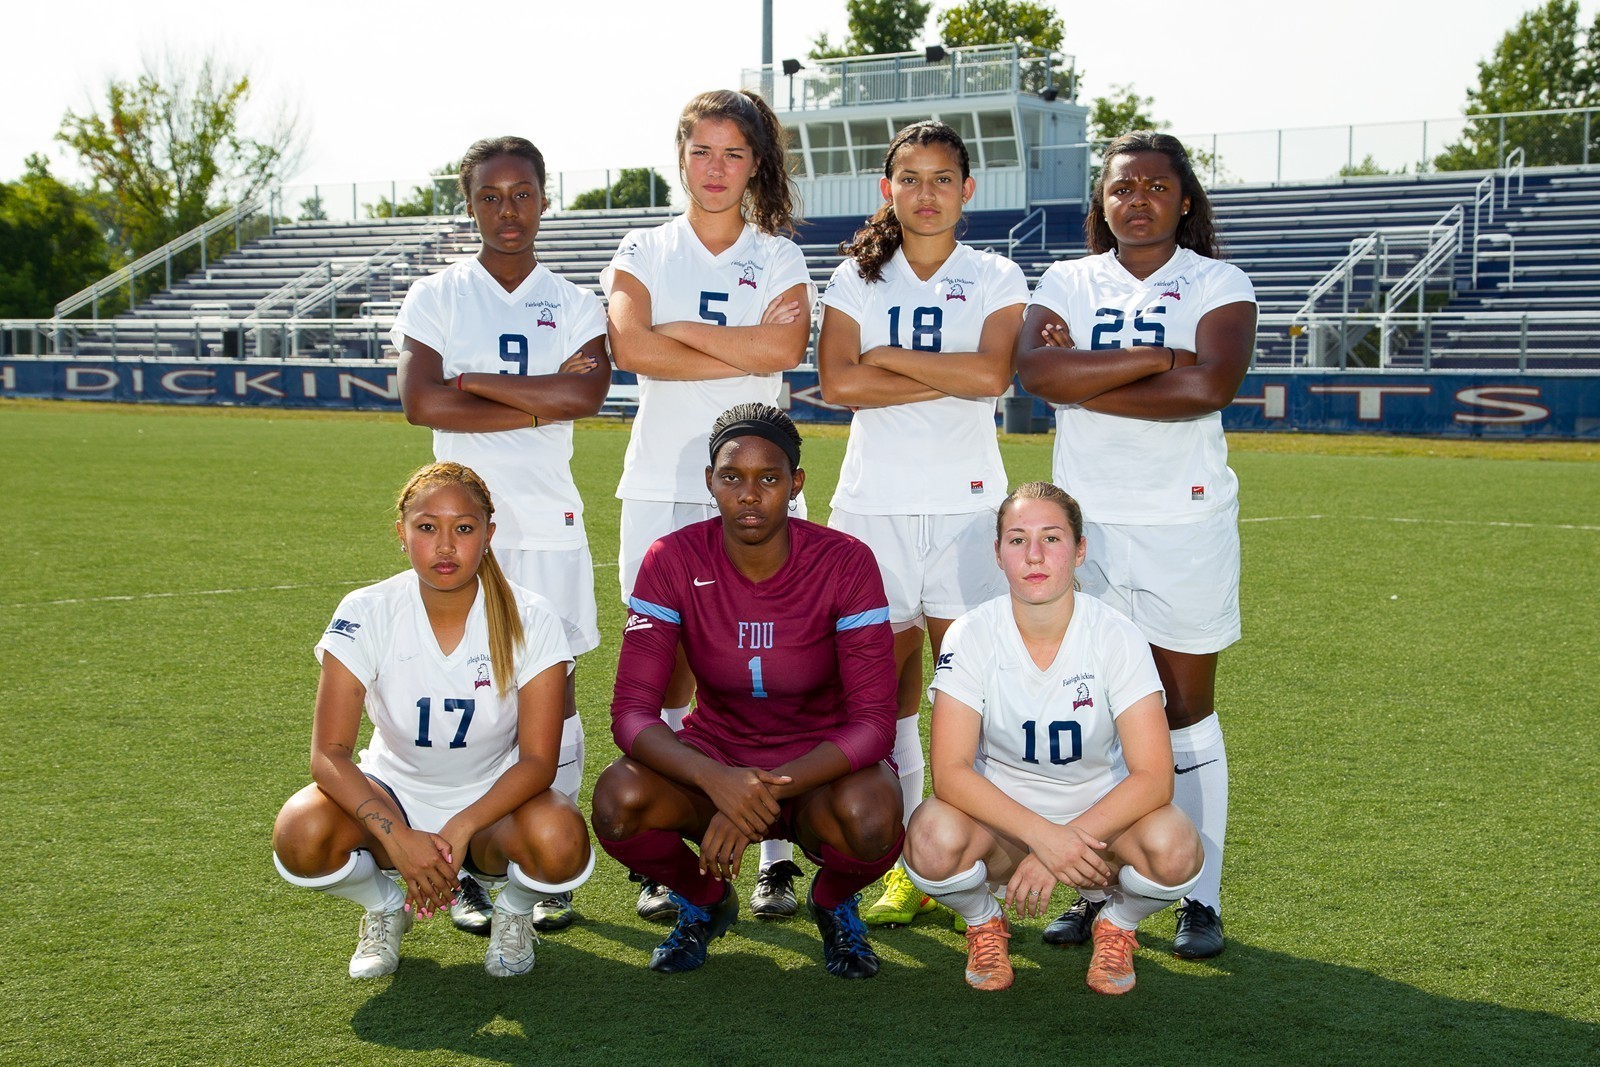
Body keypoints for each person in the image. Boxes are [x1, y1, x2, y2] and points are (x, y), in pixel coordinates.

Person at [1014, 131, 1257, 959]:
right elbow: (1041, 379)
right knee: (1091, 712)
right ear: (1102, 201)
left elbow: (1209, 387)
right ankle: (1094, 885)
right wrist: (1158, 354)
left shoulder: (1218, 280)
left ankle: (1199, 895)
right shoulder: (1067, 279)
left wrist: (1093, 371)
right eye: (1122, 187)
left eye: (1156, 185)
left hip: (1184, 525)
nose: (1138, 198)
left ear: (1185, 199)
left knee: (1184, 714)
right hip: (1087, 529)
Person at [590, 404, 902, 979]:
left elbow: (874, 725)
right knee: (617, 802)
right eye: (732, 477)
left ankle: (833, 903)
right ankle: (705, 903)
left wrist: (759, 792)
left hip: (819, 770)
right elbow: (631, 715)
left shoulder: (846, 561)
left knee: (872, 817)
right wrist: (717, 781)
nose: (750, 495)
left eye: (769, 478)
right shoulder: (672, 558)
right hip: (718, 759)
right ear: (710, 482)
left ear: (796, 483)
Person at [602, 90, 814, 921]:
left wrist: (678, 330)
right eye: (702, 151)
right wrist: (726, 342)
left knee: (771, 668)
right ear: (680, 157)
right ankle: (675, 853)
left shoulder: (781, 257)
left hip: (759, 481)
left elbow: (782, 347)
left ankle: (774, 855)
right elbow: (630, 346)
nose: (716, 168)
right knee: (668, 674)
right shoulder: (641, 244)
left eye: (733, 153)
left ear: (754, 163)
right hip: (659, 481)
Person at [394, 135, 610, 934]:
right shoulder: (438, 295)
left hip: (549, 521)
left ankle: (551, 869)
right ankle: (472, 865)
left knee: (558, 684)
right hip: (462, 525)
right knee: (466, 682)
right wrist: (536, 399)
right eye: (491, 196)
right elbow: (422, 402)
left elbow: (586, 394)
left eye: (521, 193)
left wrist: (479, 382)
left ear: (545, 199)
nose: (507, 210)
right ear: (470, 203)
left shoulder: (575, 299)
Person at [816, 119, 1026, 927]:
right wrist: (944, 375)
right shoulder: (855, 277)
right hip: (872, 508)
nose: (927, 194)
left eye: (943, 179)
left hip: (972, 508)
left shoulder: (997, 273)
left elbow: (993, 373)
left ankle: (980, 857)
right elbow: (837, 384)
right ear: (887, 189)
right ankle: (908, 862)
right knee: (888, 698)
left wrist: (890, 358)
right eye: (911, 178)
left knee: (968, 692)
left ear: (968, 190)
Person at [271, 462, 593, 979]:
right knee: (300, 832)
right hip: (392, 790)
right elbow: (327, 755)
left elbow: (537, 761)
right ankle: (384, 905)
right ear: (401, 533)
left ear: (489, 534)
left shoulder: (531, 616)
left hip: (492, 801)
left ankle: (512, 911)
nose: (445, 546)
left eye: (464, 529)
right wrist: (397, 835)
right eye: (427, 527)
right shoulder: (366, 609)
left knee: (562, 842)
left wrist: (461, 827)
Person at [903, 482, 1204, 994]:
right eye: (1017, 540)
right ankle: (983, 921)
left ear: (1080, 549)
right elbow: (951, 772)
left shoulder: (1116, 635)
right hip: (1003, 824)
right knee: (930, 838)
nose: (1035, 555)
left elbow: (1154, 778)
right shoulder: (971, 633)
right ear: (997, 554)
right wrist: (1042, 839)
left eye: (1052, 538)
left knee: (1174, 847)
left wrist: (1061, 846)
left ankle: (1118, 923)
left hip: (1102, 826)